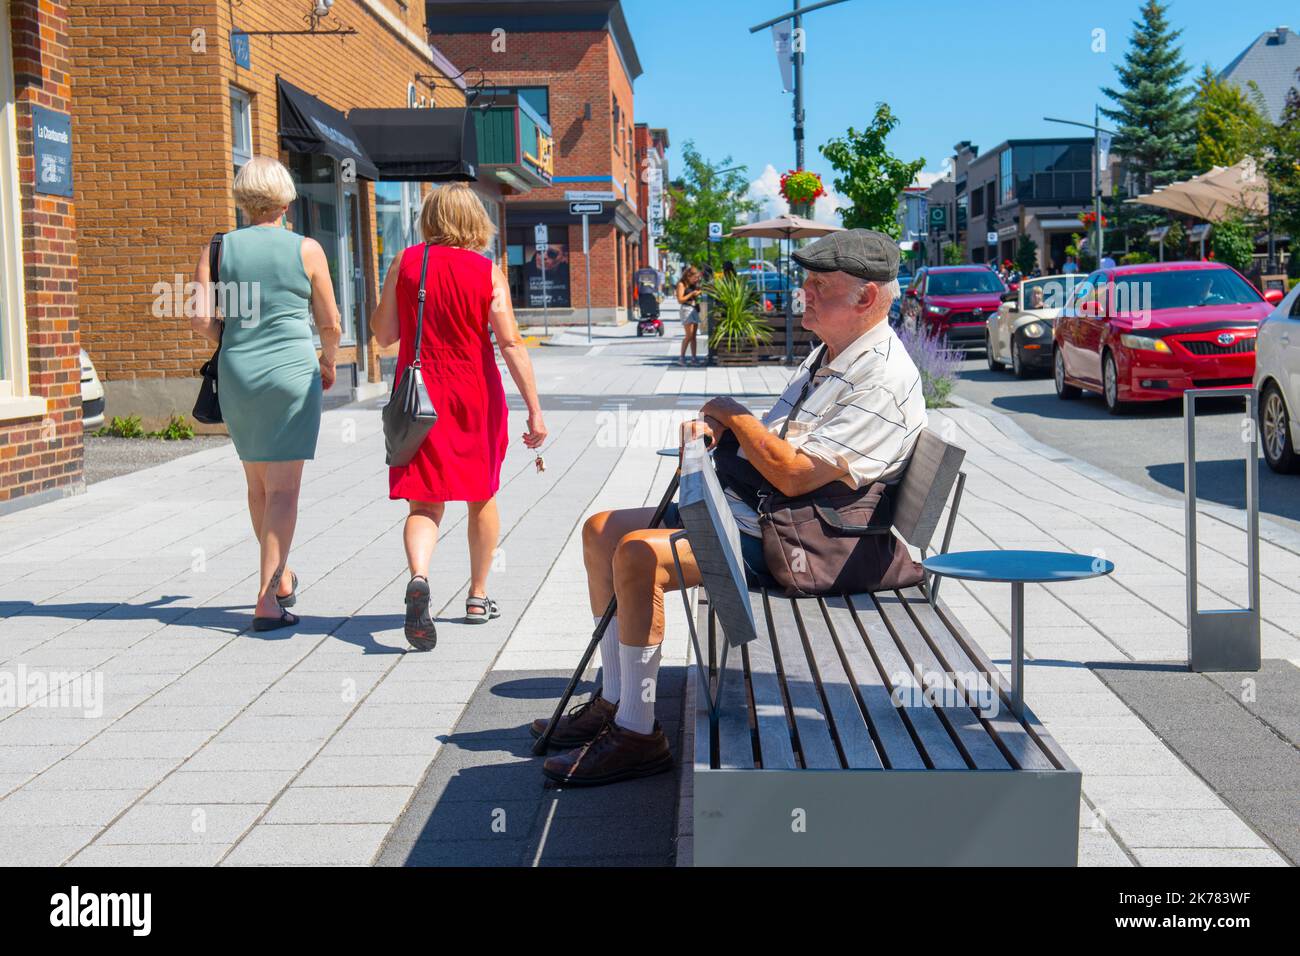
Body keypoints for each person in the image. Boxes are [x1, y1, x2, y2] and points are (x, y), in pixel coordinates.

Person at [533, 229, 928, 786]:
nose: (805, 294)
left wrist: (729, 412)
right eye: (807, 282)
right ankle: (615, 698)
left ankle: (638, 735)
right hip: (768, 517)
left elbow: (793, 475)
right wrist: (720, 429)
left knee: (640, 555)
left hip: (809, 544)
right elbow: (779, 440)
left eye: (819, 285)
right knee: (602, 529)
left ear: (865, 299)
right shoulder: (832, 355)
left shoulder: (882, 376)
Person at [372, 183, 547, 650]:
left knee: (423, 502)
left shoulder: (407, 262)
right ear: (475, 222)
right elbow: (509, 344)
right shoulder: (488, 272)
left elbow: (384, 335)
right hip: (474, 395)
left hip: (420, 398)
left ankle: (420, 577)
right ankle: (477, 595)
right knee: (481, 494)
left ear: (429, 219)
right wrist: (533, 408)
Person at [191, 157, 339, 633]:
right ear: (286, 198)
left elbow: (200, 321)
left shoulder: (218, 249)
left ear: (243, 198)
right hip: (292, 374)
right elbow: (331, 322)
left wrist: (235, 340)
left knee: (257, 488)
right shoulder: (307, 250)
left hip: (239, 374)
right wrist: (328, 361)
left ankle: (281, 578)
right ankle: (267, 599)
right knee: (285, 491)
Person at [675, 265, 704, 366]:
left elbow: (699, 291)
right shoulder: (681, 284)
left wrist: (698, 292)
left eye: (697, 277)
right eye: (695, 277)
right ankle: (681, 358)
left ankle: (693, 358)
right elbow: (680, 300)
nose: (696, 279)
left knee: (694, 336)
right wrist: (691, 294)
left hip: (694, 309)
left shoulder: (694, 284)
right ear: (688, 275)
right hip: (686, 309)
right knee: (689, 335)